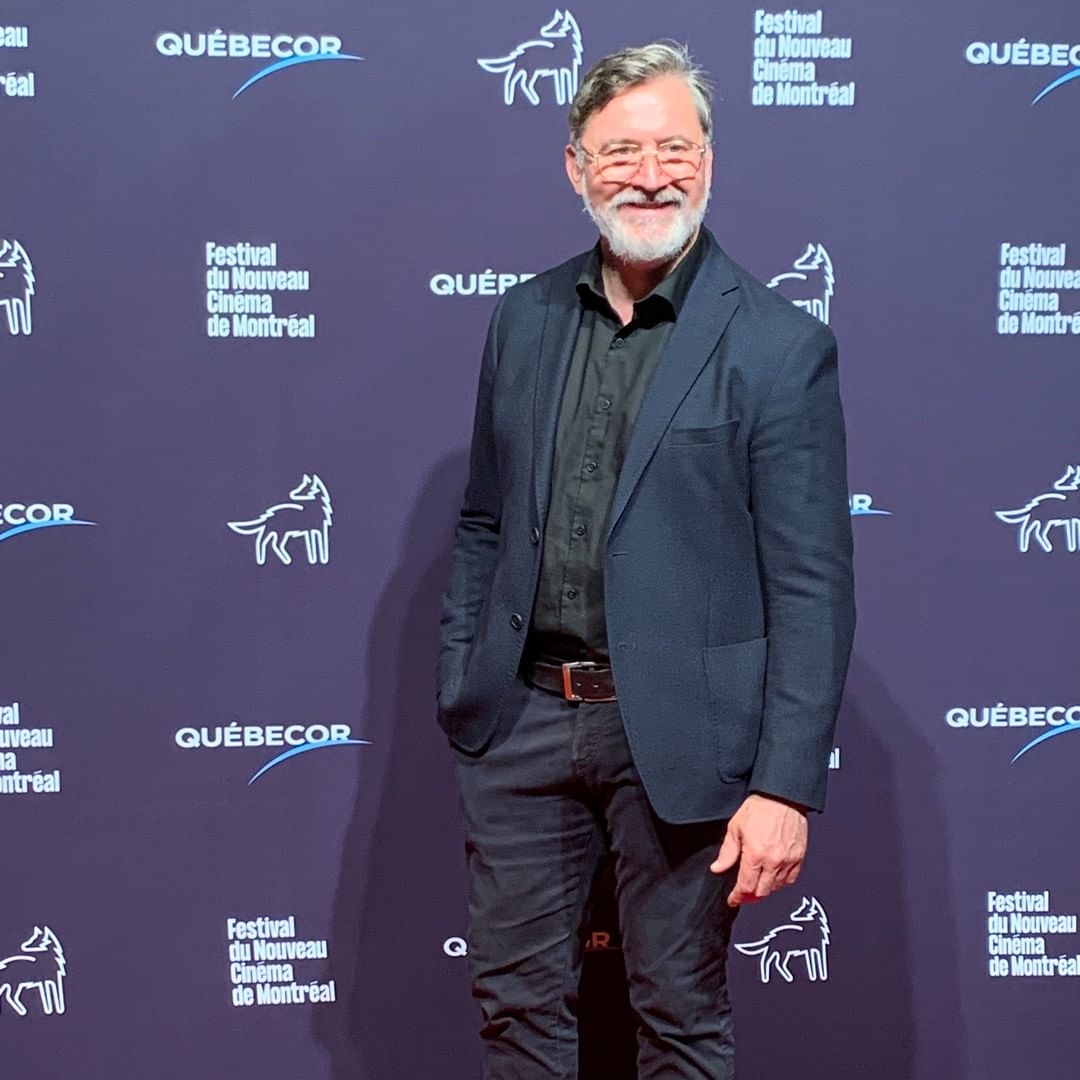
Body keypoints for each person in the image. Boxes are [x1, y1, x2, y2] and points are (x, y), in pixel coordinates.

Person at [437, 41, 855, 1079]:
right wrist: (465, 679)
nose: (651, 173)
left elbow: (812, 584)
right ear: (575, 168)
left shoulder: (777, 345)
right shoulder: (523, 318)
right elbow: (485, 520)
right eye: (621, 152)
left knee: (679, 1019)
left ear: (710, 160)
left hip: (681, 742)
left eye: (676, 147)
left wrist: (786, 788)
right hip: (522, 721)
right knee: (517, 1015)